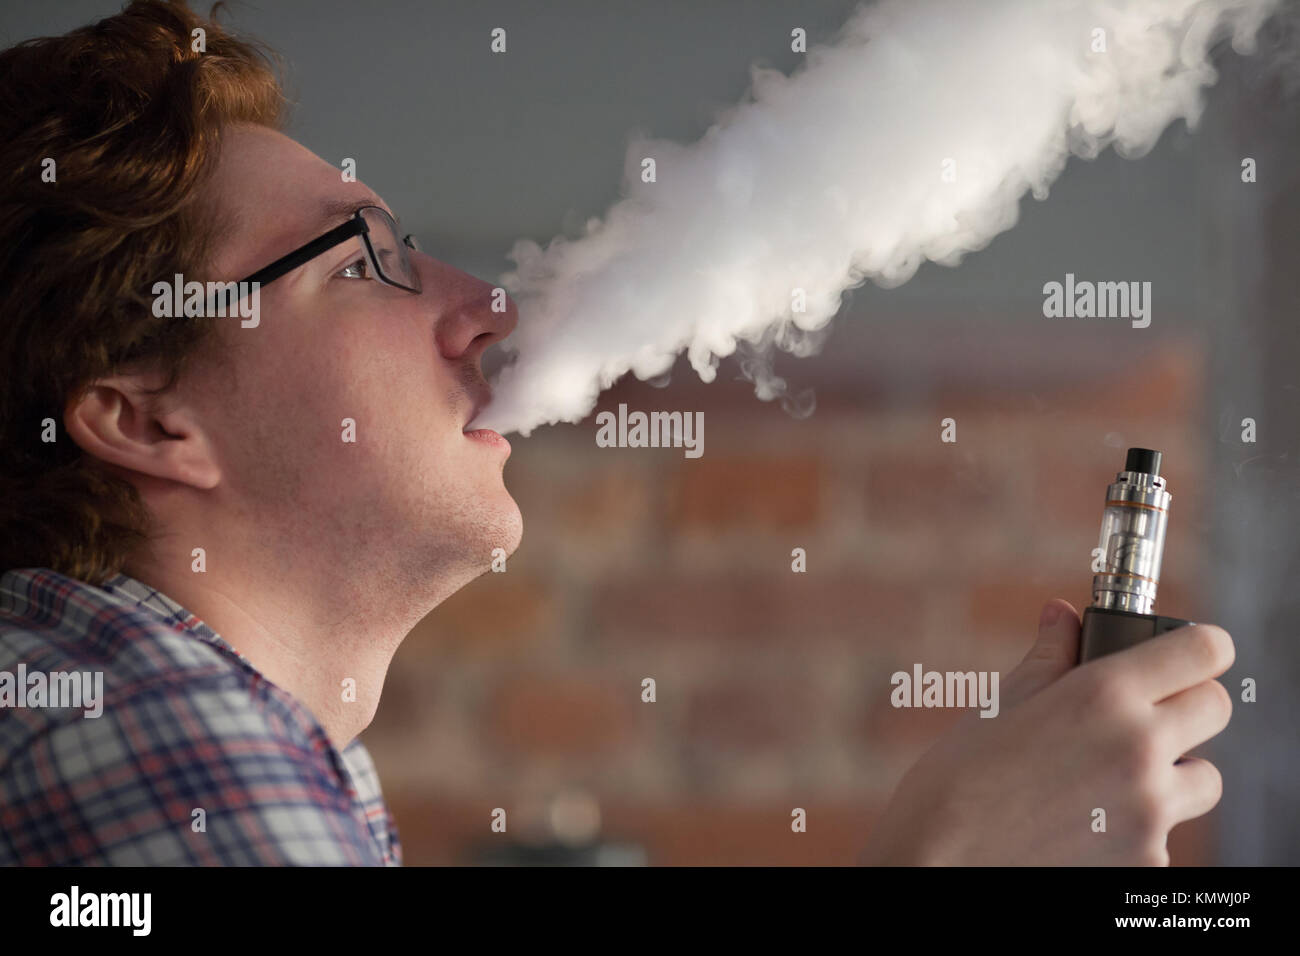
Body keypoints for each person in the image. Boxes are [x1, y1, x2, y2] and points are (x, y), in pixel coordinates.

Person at [0, 0, 1232, 866]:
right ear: (146, 416)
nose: (486, 307)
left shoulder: (228, 719)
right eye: (366, 258)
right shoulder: (154, 727)